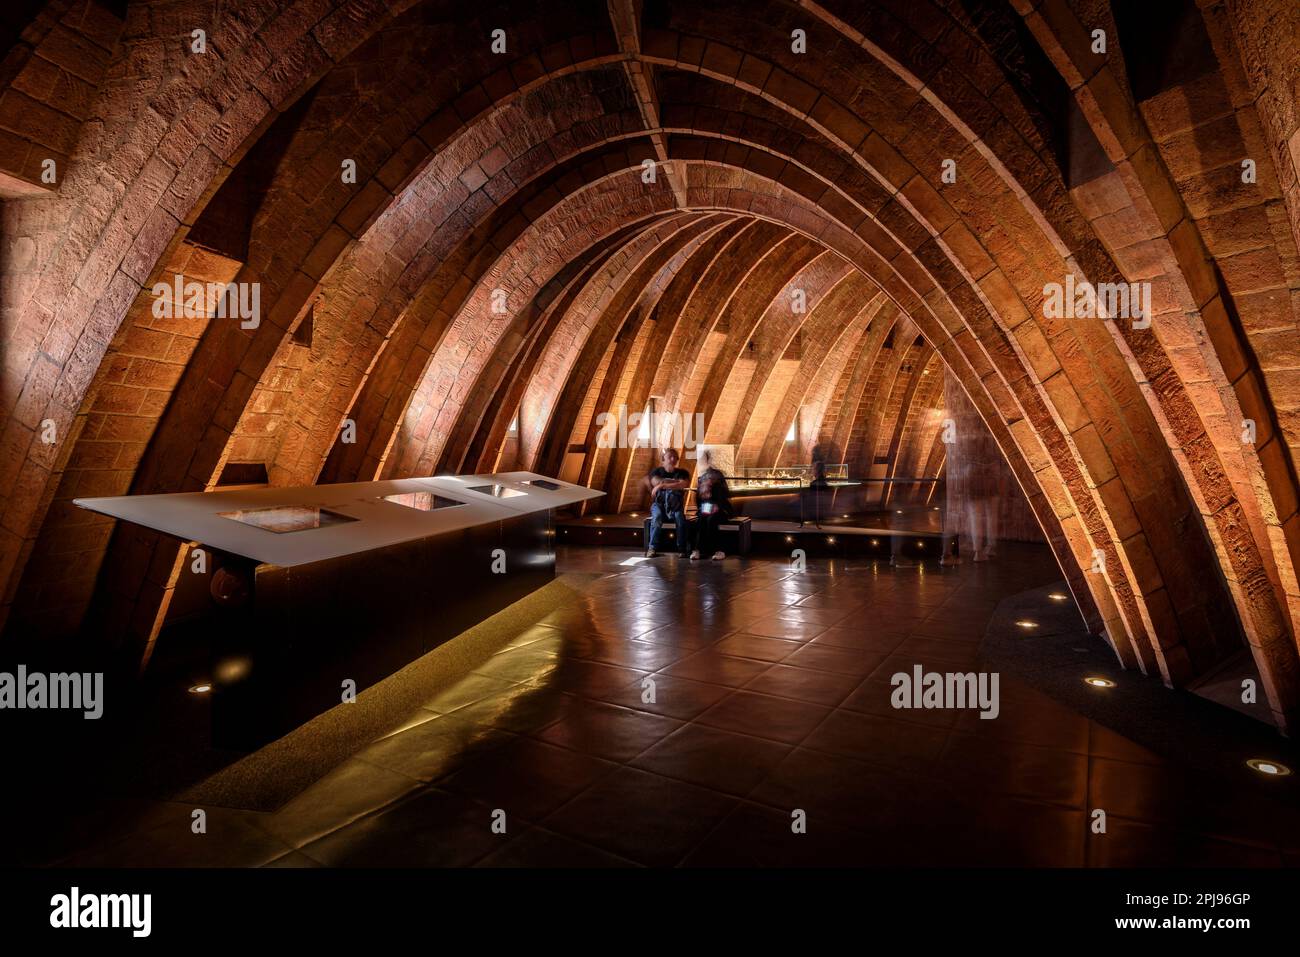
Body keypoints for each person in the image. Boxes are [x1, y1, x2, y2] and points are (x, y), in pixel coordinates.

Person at [690, 449, 734, 560]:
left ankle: (719, 550)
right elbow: (698, 498)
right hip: (707, 507)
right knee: (700, 520)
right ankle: (699, 549)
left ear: (707, 460)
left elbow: (725, 494)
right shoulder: (702, 478)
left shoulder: (717, 475)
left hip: (720, 509)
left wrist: (716, 505)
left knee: (712, 520)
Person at [646, 448, 690, 557]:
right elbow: (655, 481)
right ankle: (652, 548)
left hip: (675, 506)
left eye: (675, 457)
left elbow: (683, 484)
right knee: (657, 518)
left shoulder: (682, 472)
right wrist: (675, 483)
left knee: (680, 520)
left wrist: (662, 485)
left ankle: (681, 549)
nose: (673, 459)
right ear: (663, 459)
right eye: (670, 456)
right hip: (659, 505)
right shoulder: (656, 472)